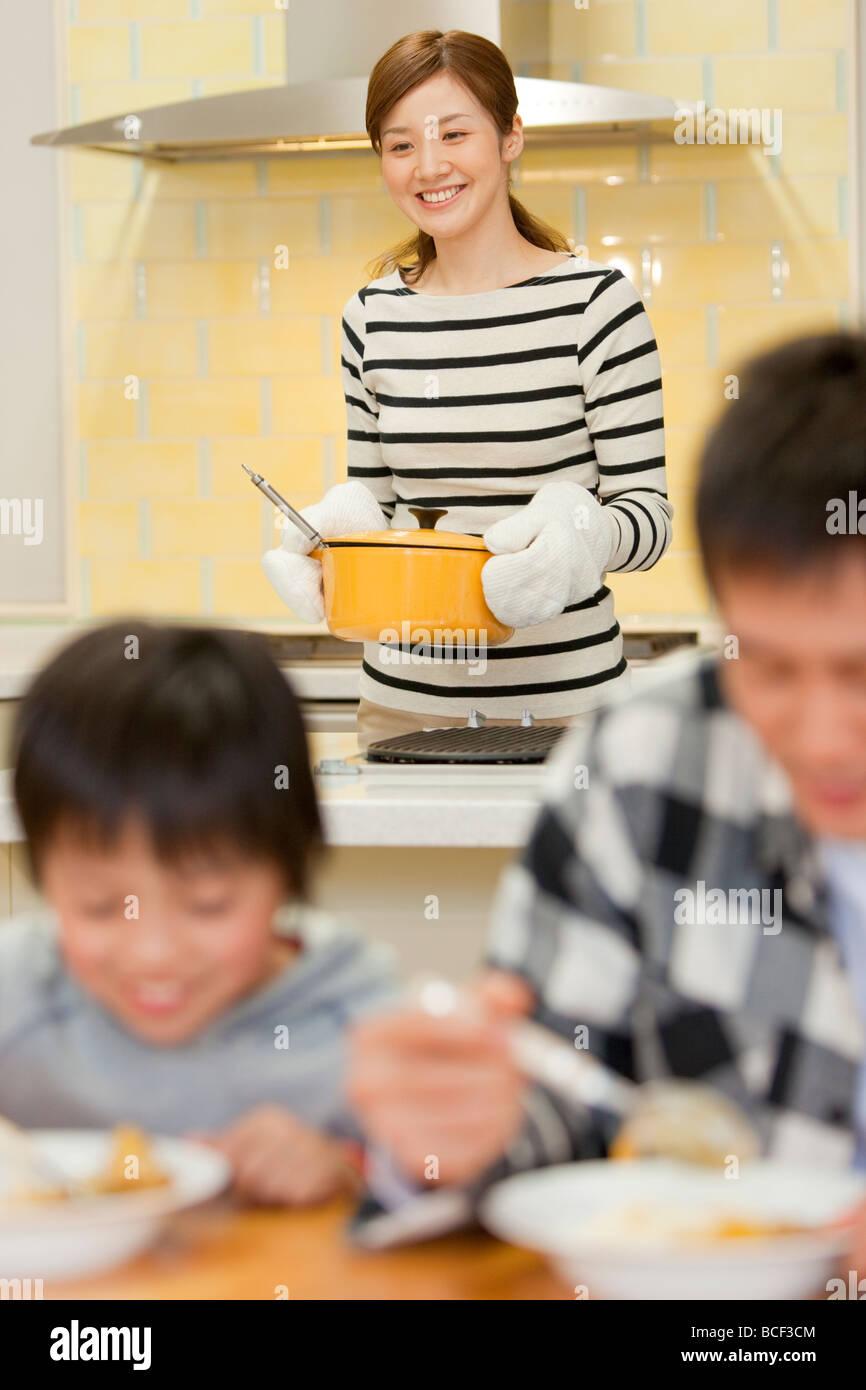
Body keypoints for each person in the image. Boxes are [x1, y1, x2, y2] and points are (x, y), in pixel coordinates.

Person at [346, 331, 866, 1247]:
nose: (822, 738)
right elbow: (560, 1099)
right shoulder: (642, 764)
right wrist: (461, 1133)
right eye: (770, 667)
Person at [262, 28, 672, 751]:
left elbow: (650, 518)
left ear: (511, 136)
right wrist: (335, 535)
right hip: (402, 709)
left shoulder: (597, 306)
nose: (429, 166)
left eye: (454, 133)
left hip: (568, 714)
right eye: (400, 145)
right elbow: (382, 510)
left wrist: (585, 534)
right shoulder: (372, 317)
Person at [2, 620, 399, 1206]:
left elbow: (450, 1196)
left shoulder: (366, 1028)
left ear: (289, 870)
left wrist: (351, 1176)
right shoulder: (19, 994)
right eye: (99, 906)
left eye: (208, 905)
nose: (154, 953)